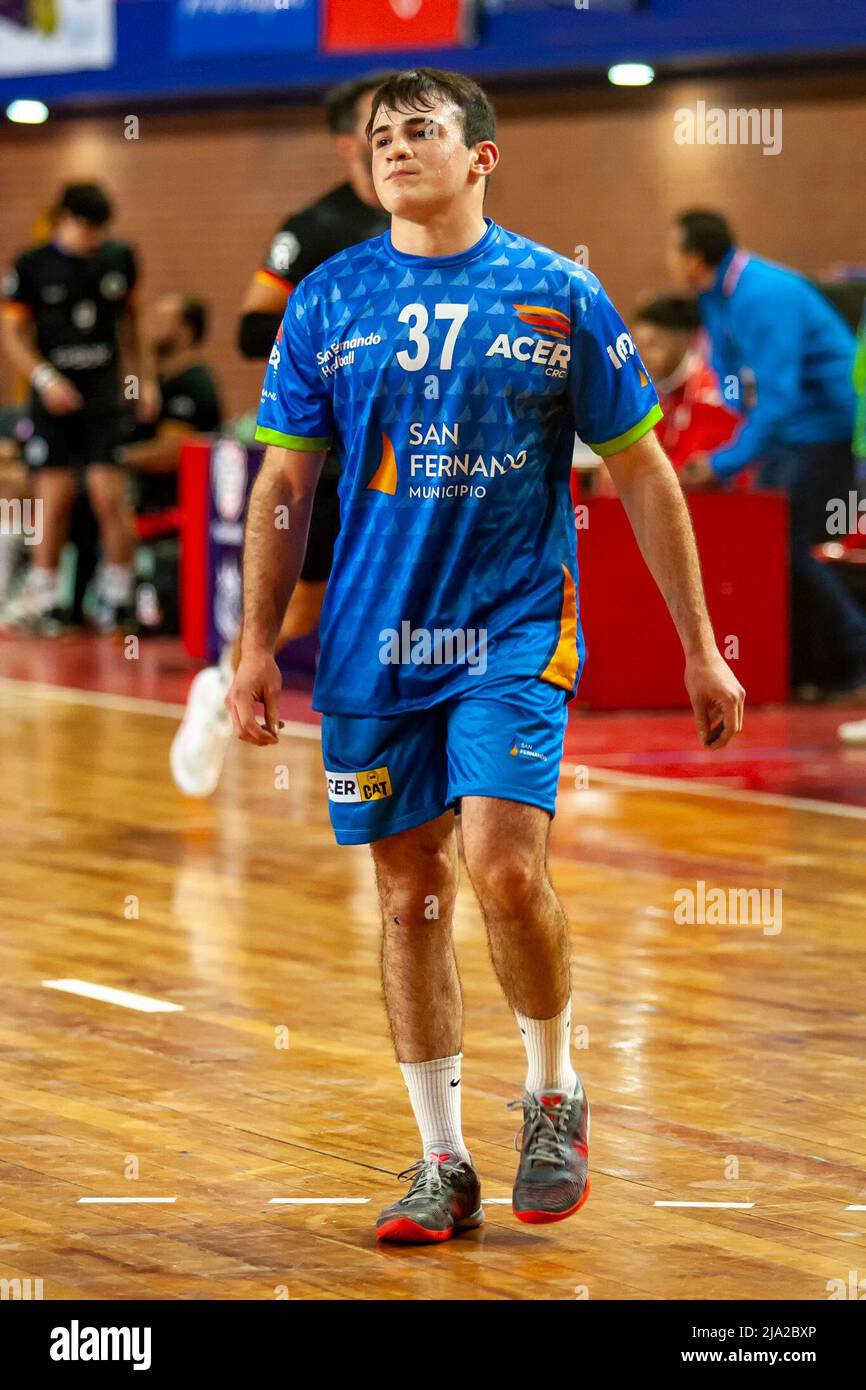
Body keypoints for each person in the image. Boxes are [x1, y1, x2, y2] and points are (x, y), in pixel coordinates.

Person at [227, 67, 744, 1244]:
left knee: (504, 869)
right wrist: (256, 642)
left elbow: (645, 472)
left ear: (481, 158)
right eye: (379, 136)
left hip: (510, 629)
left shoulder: (558, 294)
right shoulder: (325, 299)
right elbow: (282, 483)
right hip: (368, 645)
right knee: (410, 895)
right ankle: (441, 1160)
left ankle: (553, 1092)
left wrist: (698, 648)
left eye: (421, 130)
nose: (395, 148)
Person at [170, 74, 392, 797]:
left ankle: (405, 775)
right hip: (334, 450)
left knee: (406, 592)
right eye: (375, 122)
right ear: (347, 142)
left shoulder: (429, 218)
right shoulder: (316, 228)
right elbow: (250, 326)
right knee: (308, 602)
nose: (394, 130)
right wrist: (342, 333)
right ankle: (219, 682)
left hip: (412, 446)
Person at [671, 211, 865, 698]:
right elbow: (735, 385)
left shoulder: (764, 294)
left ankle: (857, 655)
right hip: (789, 436)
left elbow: (778, 398)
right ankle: (806, 668)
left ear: (694, 259)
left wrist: (722, 463)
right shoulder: (717, 298)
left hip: (827, 433)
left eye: (672, 250)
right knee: (759, 545)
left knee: (782, 545)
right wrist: (728, 455)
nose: (668, 261)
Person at [0, 182, 158, 636]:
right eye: (87, 228)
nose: (95, 238)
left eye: (101, 230)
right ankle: (46, 600)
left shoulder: (118, 259)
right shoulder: (31, 266)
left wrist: (142, 379)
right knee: (55, 496)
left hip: (102, 397)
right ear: (64, 219)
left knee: (109, 493)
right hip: (53, 397)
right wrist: (44, 378)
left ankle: (119, 597)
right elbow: (12, 334)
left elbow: (133, 325)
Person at [119, 293, 222, 513]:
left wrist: (114, 457)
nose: (147, 328)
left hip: (172, 511)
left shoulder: (193, 384)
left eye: (159, 320)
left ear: (185, 332)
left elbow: (170, 453)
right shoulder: (156, 383)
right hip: (139, 503)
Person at [631, 295, 739, 472]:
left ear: (684, 339)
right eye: (638, 346)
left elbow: (698, 468)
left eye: (652, 344)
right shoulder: (648, 393)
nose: (642, 355)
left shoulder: (715, 392)